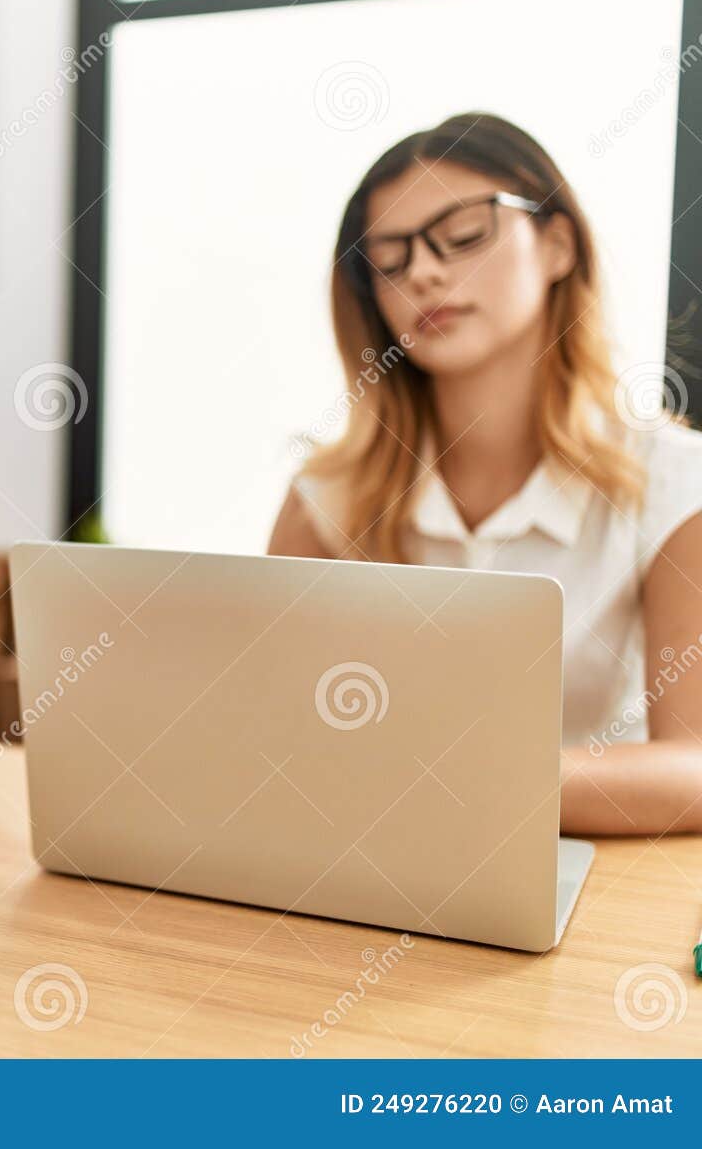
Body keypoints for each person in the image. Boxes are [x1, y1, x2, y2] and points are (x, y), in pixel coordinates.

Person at [269, 113, 702, 835]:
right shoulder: (325, 496)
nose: (424, 273)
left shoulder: (671, 479)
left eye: (463, 234)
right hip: (372, 866)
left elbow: (694, 765)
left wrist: (469, 778)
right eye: (390, 258)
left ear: (558, 244)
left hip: (591, 880)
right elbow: (270, 735)